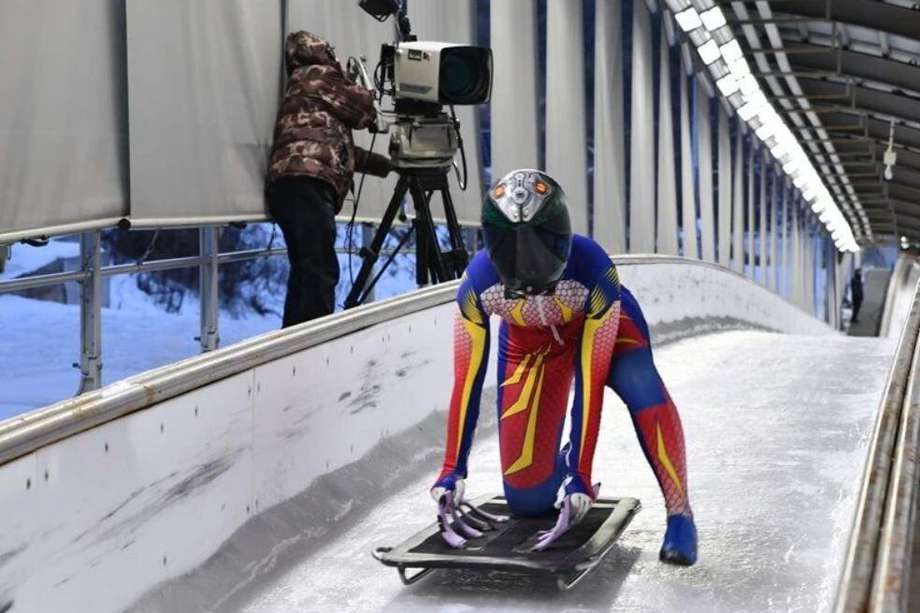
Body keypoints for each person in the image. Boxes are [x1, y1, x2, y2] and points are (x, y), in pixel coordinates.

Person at [430, 169, 698, 565]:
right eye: (514, 249)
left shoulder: (594, 268)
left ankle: (680, 514)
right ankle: (555, 465)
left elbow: (591, 380)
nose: (528, 262)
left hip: (605, 327)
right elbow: (466, 381)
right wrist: (452, 469)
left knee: (644, 390)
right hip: (529, 347)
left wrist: (581, 475)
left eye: (539, 246)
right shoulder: (476, 284)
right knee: (527, 499)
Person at [266, 31, 392, 327]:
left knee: (307, 269)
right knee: (320, 270)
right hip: (307, 184)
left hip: (291, 184)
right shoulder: (317, 76)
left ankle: (293, 341)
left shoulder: (303, 89)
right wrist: (362, 84)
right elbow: (362, 111)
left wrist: (385, 165)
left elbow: (335, 150)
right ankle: (312, 347)